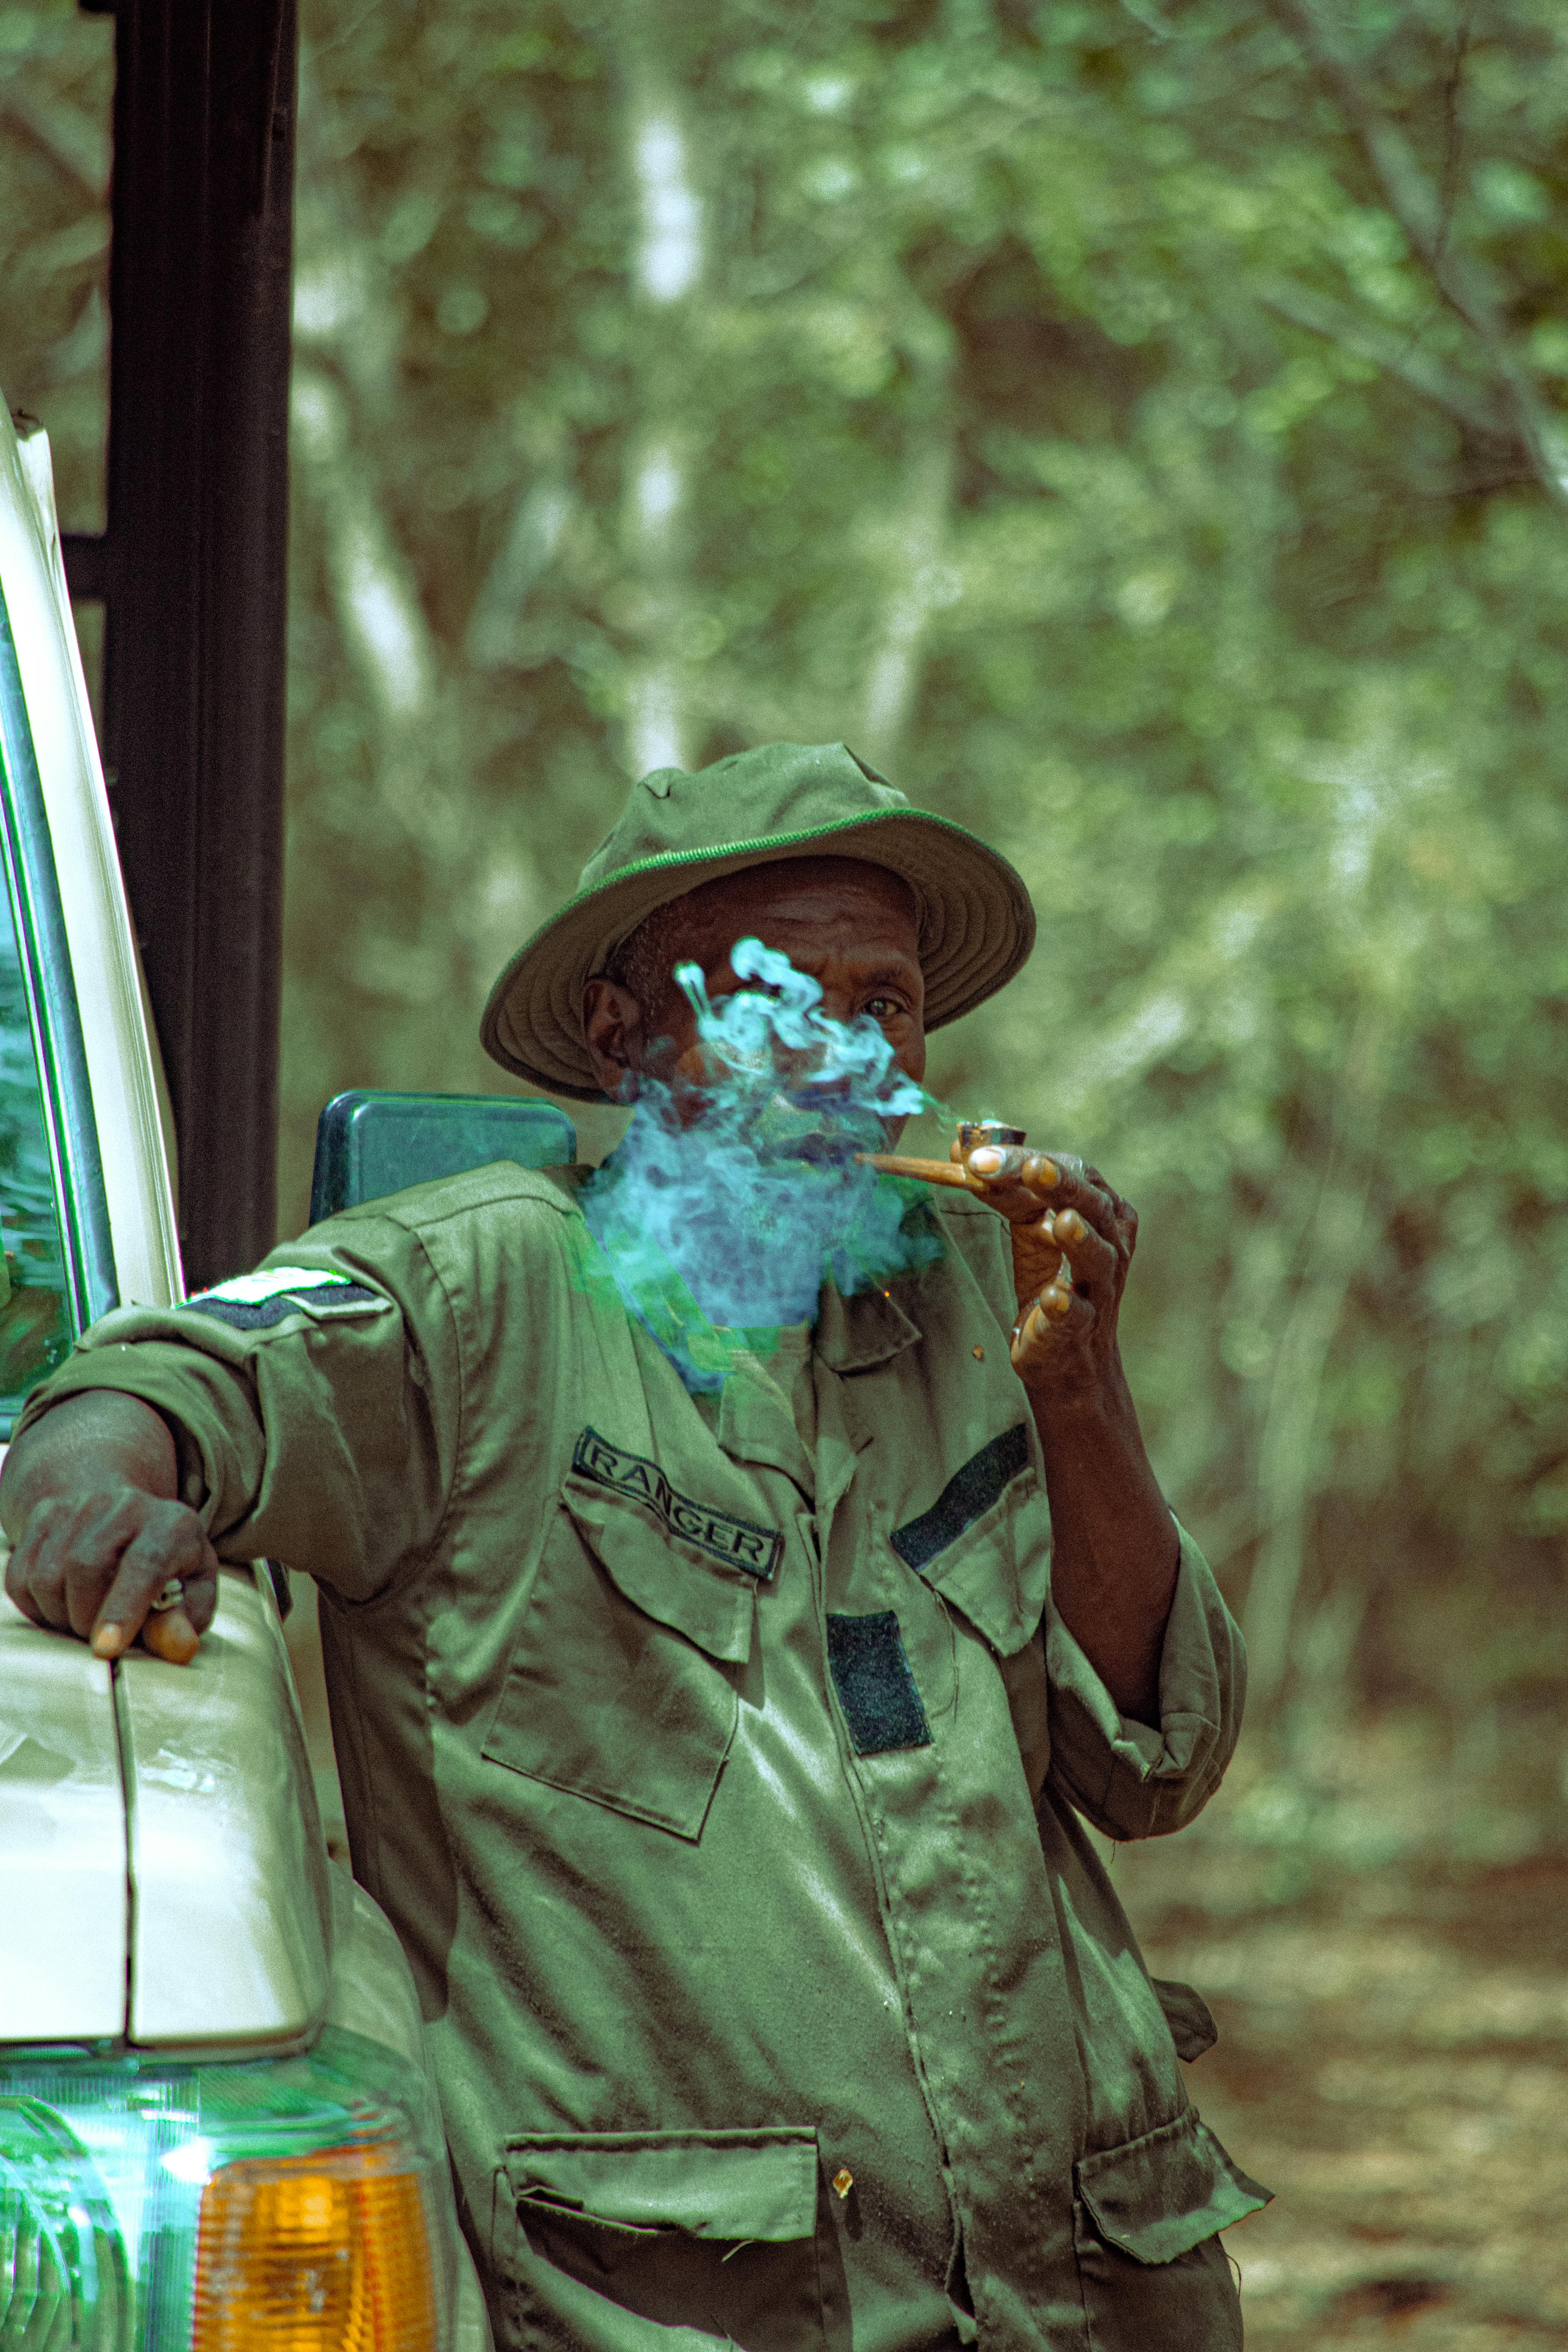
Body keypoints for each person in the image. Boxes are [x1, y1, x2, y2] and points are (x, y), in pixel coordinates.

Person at [1, 741, 1267, 2351]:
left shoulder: (973, 1291)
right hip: (702, 2305)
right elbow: (158, 1387)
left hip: (1087, 2289)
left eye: (884, 1005)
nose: (842, 1057)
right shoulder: (483, 1287)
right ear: (623, 1037)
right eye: (774, 1001)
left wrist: (1084, 1391)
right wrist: (97, 1495)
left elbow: (1162, 1766)